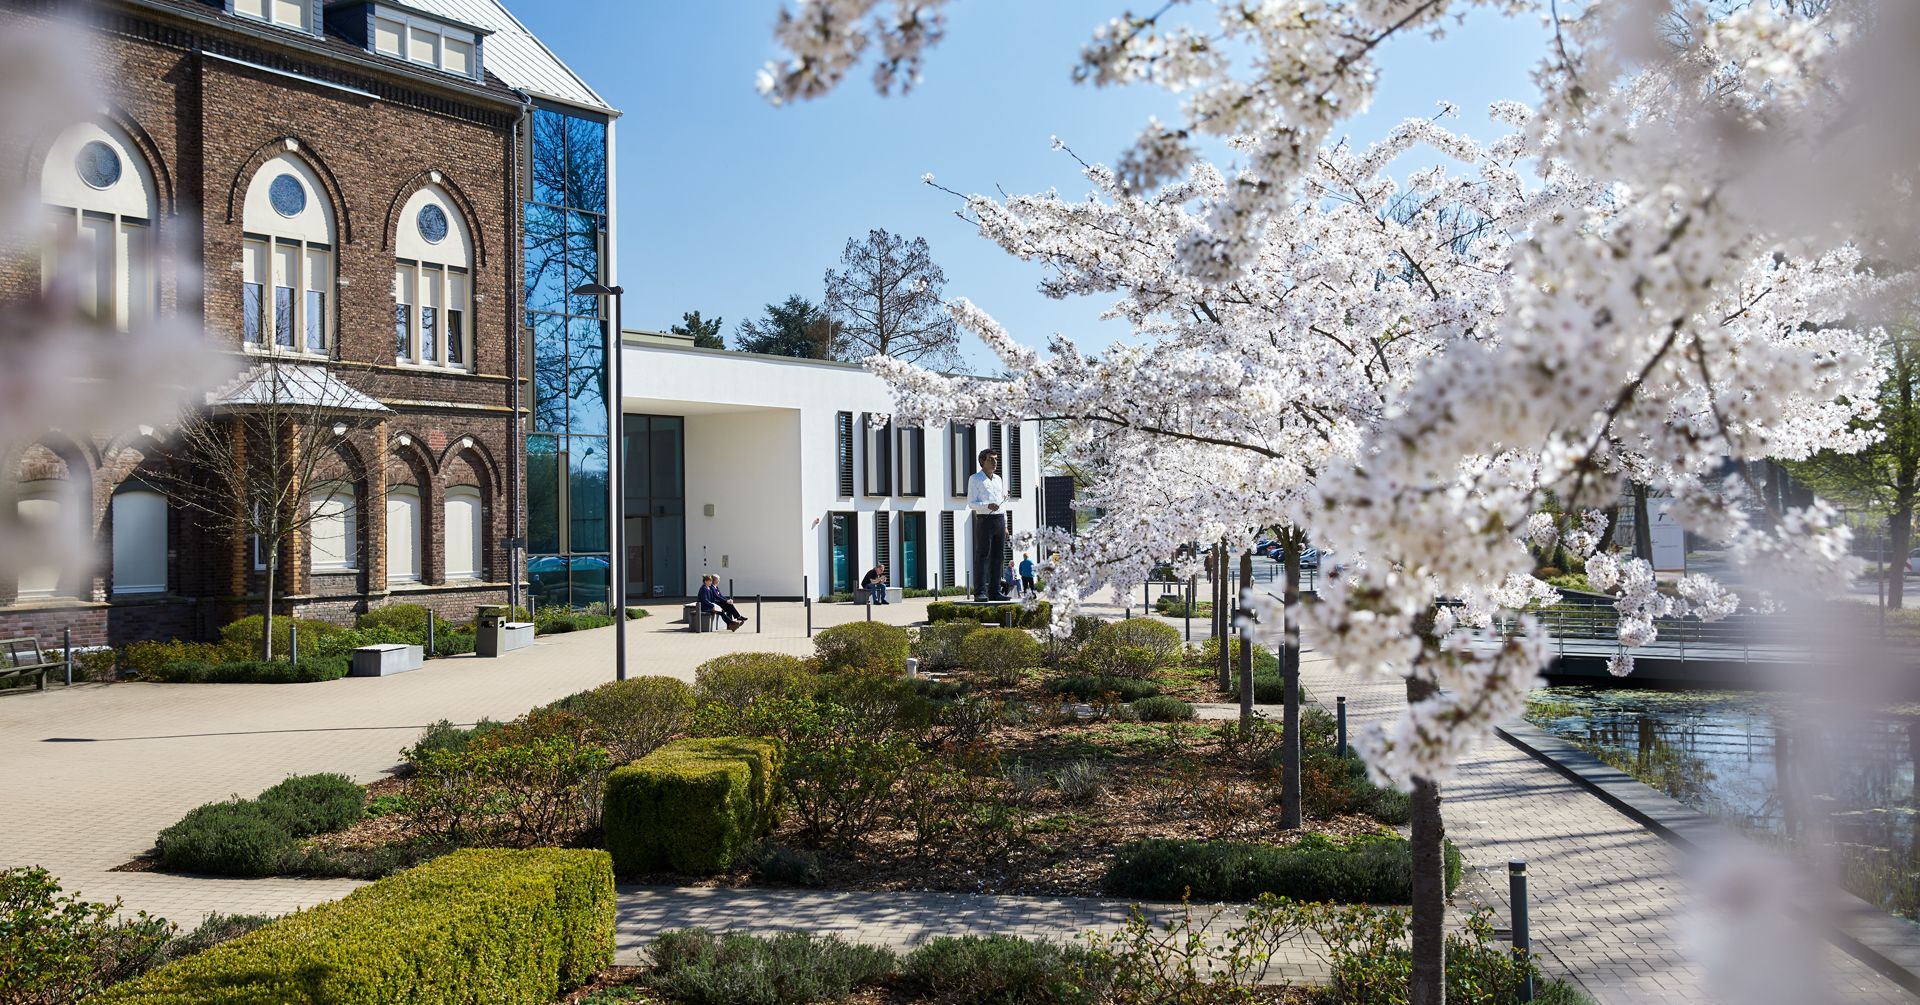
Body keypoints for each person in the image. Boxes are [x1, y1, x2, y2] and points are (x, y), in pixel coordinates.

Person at [967, 447, 1009, 602]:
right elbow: (971, 503)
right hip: (984, 520)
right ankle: (979, 592)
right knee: (982, 556)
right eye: (991, 459)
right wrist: (987, 505)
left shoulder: (998, 479)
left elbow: (1002, 503)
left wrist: (1005, 524)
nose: (995, 462)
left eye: (996, 459)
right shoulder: (975, 479)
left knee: (999, 557)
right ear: (982, 461)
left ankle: (995, 591)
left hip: (999, 520)